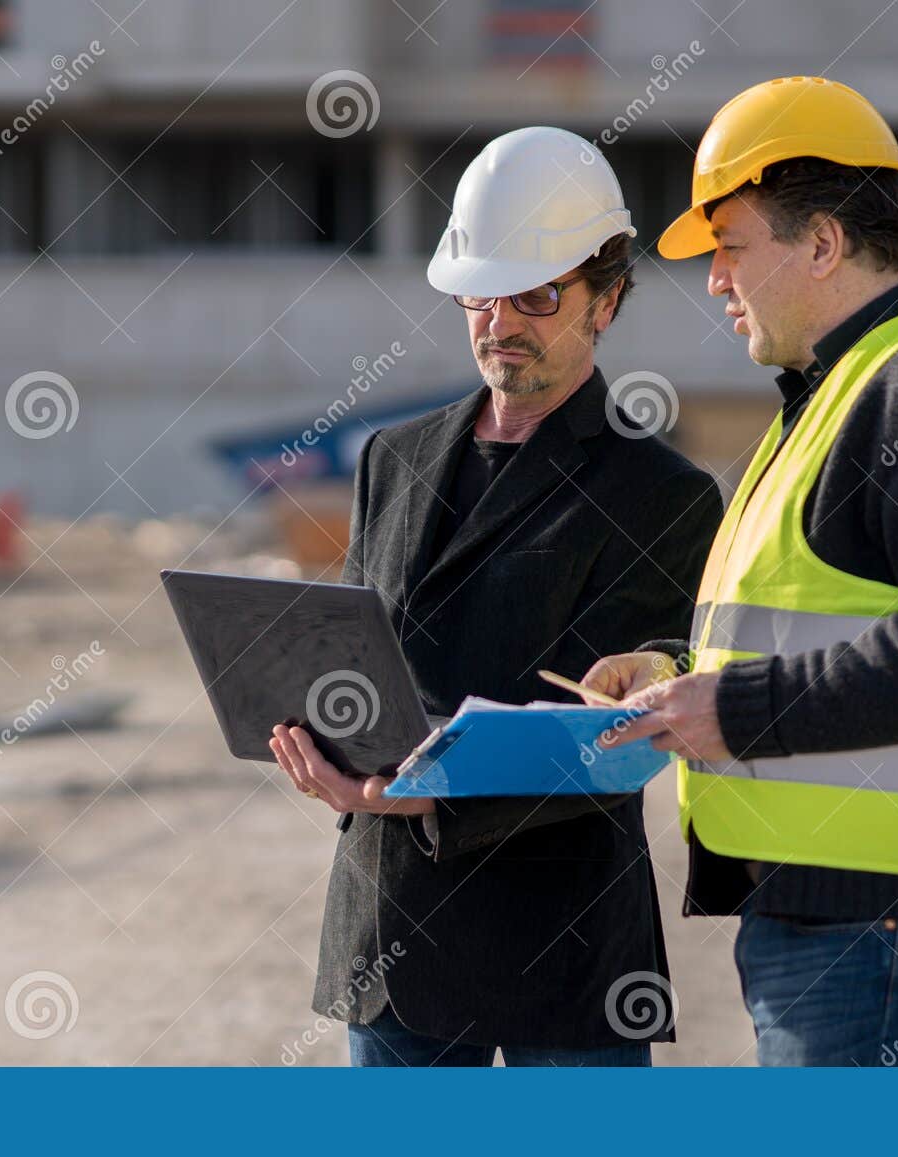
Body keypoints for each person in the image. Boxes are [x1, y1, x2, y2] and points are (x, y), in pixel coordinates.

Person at [584, 77, 898, 1067]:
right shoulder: (842, 389)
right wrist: (679, 673)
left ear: (822, 242)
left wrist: (740, 708)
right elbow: (817, 616)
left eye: (730, 243)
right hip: (849, 918)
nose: (715, 277)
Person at [268, 126, 723, 1066]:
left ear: (606, 299)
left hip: (557, 950)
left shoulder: (661, 495)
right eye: (482, 295)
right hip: (393, 941)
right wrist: (316, 732)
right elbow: (354, 655)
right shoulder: (393, 461)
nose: (500, 321)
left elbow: (605, 735)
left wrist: (407, 795)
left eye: (537, 295)